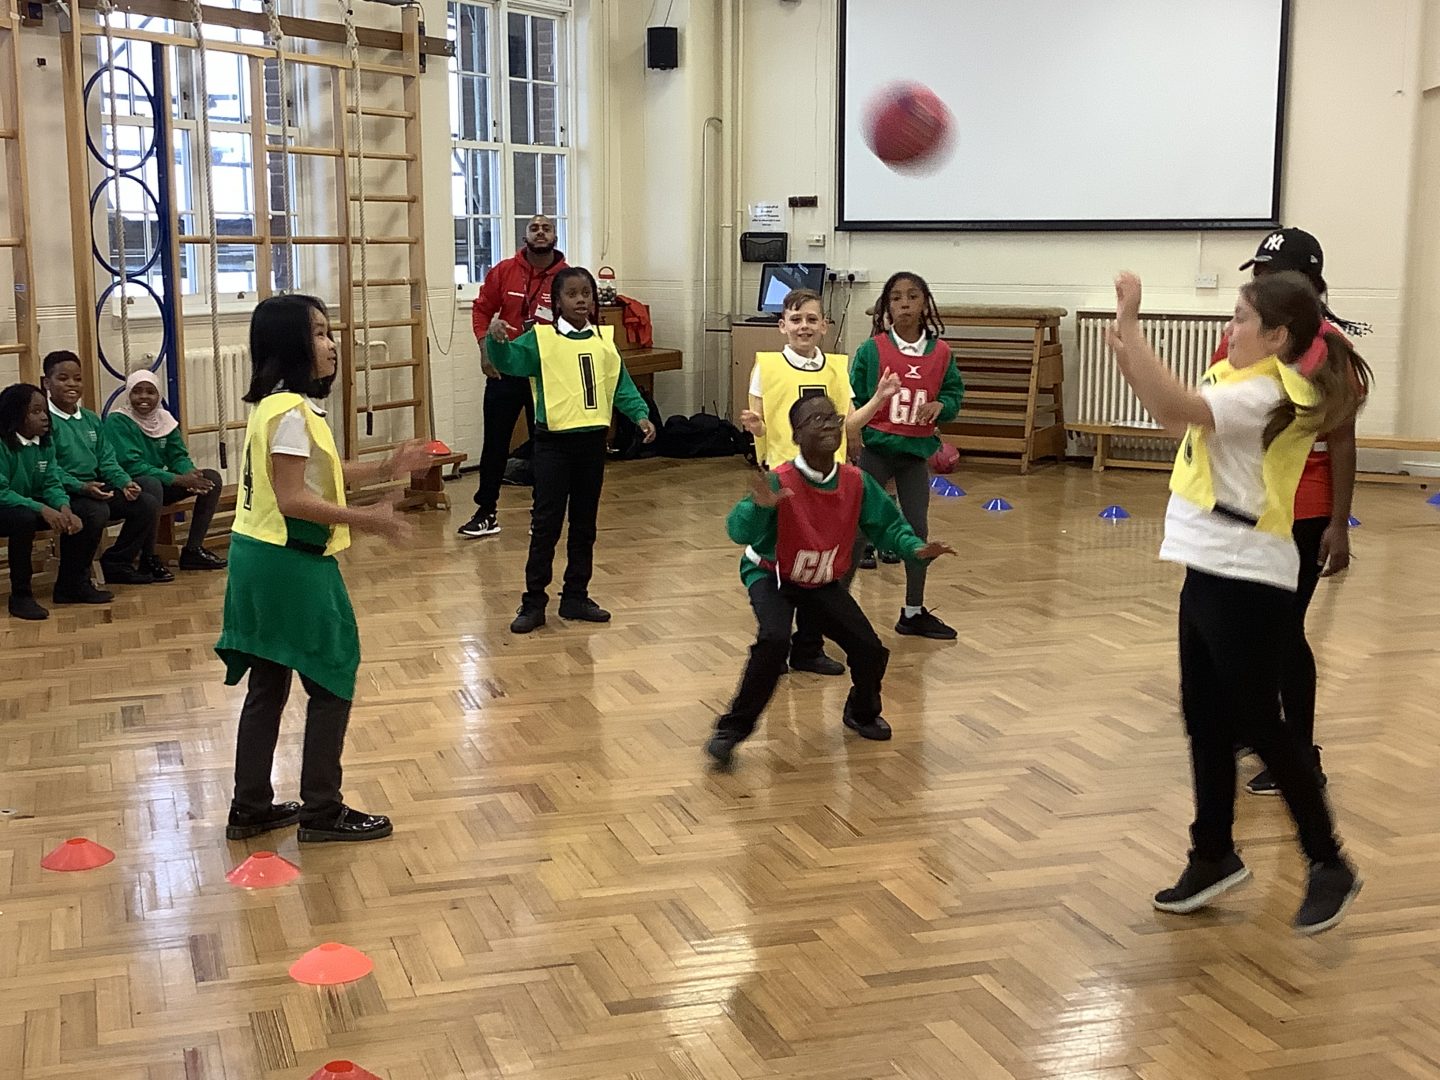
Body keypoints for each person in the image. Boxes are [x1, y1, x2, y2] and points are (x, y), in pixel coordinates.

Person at [1109, 269, 1365, 935]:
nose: (1230, 329)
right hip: (1209, 564)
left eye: (1240, 318)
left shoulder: (1270, 392)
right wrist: (1130, 353)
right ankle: (1213, 853)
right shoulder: (1235, 379)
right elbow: (1175, 421)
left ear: (1277, 335)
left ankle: (1327, 861)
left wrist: (1133, 328)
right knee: (1204, 717)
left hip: (1247, 574)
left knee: (1257, 722)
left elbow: (1177, 408)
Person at [216, 294, 431, 843]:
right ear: (291, 344)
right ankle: (321, 810)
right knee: (332, 675)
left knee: (268, 683)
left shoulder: (276, 405)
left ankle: (250, 807)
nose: (331, 344)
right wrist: (372, 520)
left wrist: (387, 466)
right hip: (288, 562)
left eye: (329, 331)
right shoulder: (289, 413)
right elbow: (292, 499)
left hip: (255, 556)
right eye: (318, 333)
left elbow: (321, 474)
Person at [705, 394, 955, 769]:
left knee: (870, 649)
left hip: (819, 580)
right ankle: (730, 731)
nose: (827, 424)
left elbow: (887, 525)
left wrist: (914, 548)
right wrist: (759, 507)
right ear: (796, 434)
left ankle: (861, 712)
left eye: (833, 418)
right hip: (773, 573)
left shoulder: (856, 482)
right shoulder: (779, 480)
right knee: (773, 641)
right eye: (815, 419)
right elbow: (737, 532)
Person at [1219, 229, 1372, 795]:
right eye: (1257, 273)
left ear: (1308, 284)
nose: (1260, 284)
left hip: (1302, 510)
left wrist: (1338, 523)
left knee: (1282, 632)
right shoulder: (1238, 335)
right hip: (1241, 505)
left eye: (1273, 274)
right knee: (1238, 627)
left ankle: (1301, 753)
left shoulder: (1330, 350)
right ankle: (1255, 726)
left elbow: (1344, 441)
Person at [486, 266, 656, 634]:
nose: (581, 300)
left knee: (585, 524)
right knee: (545, 524)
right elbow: (508, 361)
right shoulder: (541, 341)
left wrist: (640, 415)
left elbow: (620, 385)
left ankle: (576, 595)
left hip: (591, 445)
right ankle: (533, 602)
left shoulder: (603, 341)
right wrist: (494, 339)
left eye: (586, 294)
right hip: (552, 445)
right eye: (572, 294)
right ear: (557, 302)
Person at [736, 287, 855, 676]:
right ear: (782, 325)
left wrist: (879, 400)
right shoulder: (767, 367)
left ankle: (809, 646)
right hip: (785, 478)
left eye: (811, 319)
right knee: (782, 562)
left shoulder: (837, 367)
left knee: (821, 565)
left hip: (826, 480)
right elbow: (761, 424)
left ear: (824, 326)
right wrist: (756, 428)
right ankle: (777, 641)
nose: (804, 326)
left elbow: (848, 422)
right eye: (796, 319)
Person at [845, 271, 965, 639]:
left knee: (917, 532)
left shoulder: (941, 353)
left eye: (913, 297)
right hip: (876, 452)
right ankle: (835, 607)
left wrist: (940, 406)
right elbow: (854, 397)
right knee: (858, 530)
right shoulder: (872, 350)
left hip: (914, 455)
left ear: (925, 303)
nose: (905, 304)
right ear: (886, 306)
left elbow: (954, 395)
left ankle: (913, 611)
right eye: (896, 298)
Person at [458, 214, 569, 539]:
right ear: (525, 235)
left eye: (546, 228)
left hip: (547, 375)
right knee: (495, 443)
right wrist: (484, 348)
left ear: (555, 235)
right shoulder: (504, 271)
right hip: (505, 371)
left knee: (545, 445)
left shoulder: (567, 276)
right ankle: (486, 512)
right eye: (534, 228)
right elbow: (481, 310)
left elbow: (582, 318)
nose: (539, 232)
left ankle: (543, 513)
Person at [41, 350, 166, 586]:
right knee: (95, 511)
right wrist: (81, 486)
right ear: (47, 383)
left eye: (77, 379)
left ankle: (118, 563)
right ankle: (75, 581)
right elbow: (48, 467)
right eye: (63, 378)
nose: (72, 384)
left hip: (94, 486)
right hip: (63, 492)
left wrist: (124, 482)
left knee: (145, 503)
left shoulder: (90, 418)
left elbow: (107, 459)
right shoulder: (44, 419)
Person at [0, 382, 109, 617]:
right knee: (24, 519)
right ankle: (21, 596)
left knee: (90, 511)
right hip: (7, 507)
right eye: (35, 411)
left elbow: (51, 482)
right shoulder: (3, 444)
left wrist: (64, 508)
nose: (45, 418)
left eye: (45, 412)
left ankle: (72, 585)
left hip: (29, 503)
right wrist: (42, 509)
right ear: (16, 414)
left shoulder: (44, 442)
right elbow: (2, 492)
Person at [105, 369, 228, 571]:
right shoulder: (117, 421)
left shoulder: (164, 419)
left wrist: (190, 473)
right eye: (137, 391)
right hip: (130, 484)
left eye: (150, 391)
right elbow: (131, 465)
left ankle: (193, 550)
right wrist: (178, 480)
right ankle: (149, 556)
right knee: (152, 484)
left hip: (163, 481)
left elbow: (177, 455)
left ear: (158, 395)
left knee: (211, 478)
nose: (144, 397)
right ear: (128, 394)